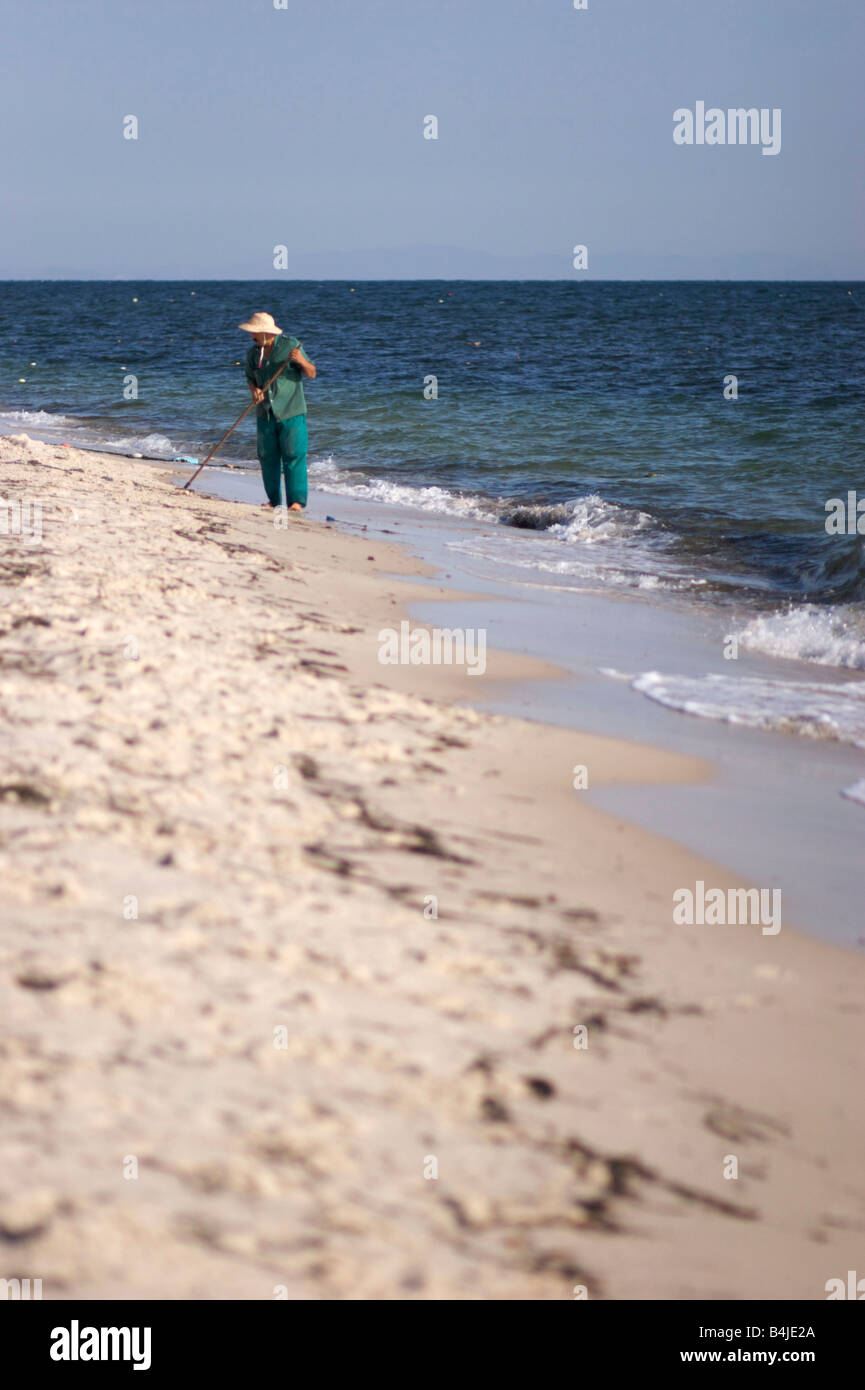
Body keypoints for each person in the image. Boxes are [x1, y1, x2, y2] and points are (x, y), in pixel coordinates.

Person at [238, 312, 316, 511]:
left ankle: (296, 502)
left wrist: (301, 360)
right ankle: (274, 501)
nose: (251, 337)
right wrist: (254, 390)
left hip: (291, 410)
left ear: (266, 333)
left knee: (294, 455)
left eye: (254, 333)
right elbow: (250, 378)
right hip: (265, 413)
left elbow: (311, 373)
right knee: (267, 457)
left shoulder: (290, 345)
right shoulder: (253, 354)